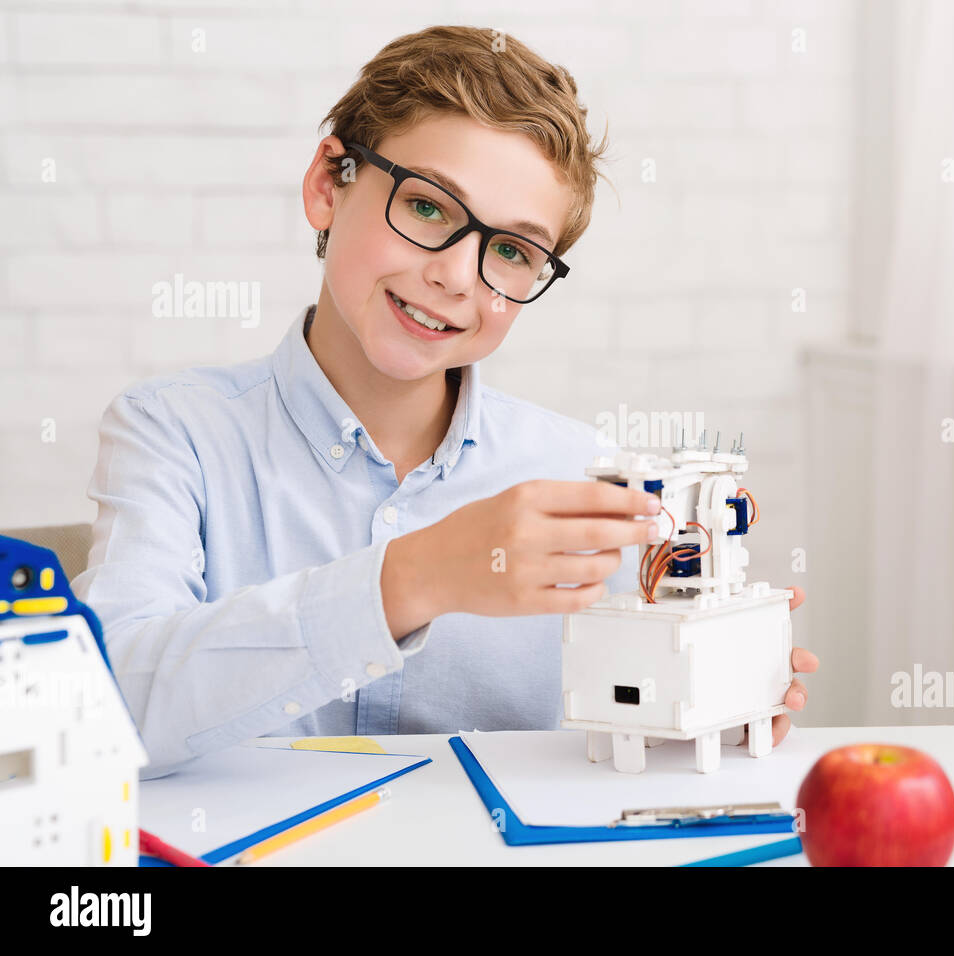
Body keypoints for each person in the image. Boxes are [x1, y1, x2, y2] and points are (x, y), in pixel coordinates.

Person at [72, 25, 816, 777]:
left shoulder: (586, 477)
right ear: (330, 185)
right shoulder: (174, 432)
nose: (459, 277)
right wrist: (417, 575)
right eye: (428, 208)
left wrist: (699, 705)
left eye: (512, 251)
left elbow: (621, 726)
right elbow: (103, 712)